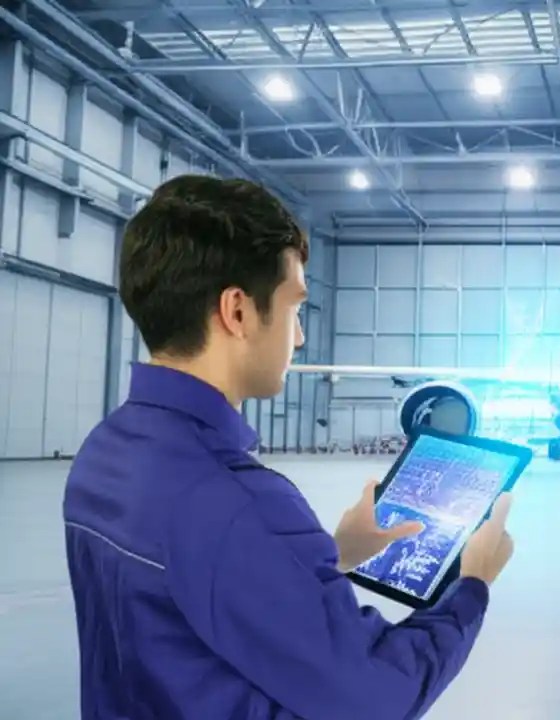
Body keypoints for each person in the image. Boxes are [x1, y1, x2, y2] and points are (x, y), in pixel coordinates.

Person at [63, 174, 515, 719]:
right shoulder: (240, 503)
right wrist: (472, 585)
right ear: (237, 312)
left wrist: (335, 552)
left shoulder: (103, 453)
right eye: (295, 307)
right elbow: (377, 697)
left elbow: (200, 599)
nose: (299, 337)